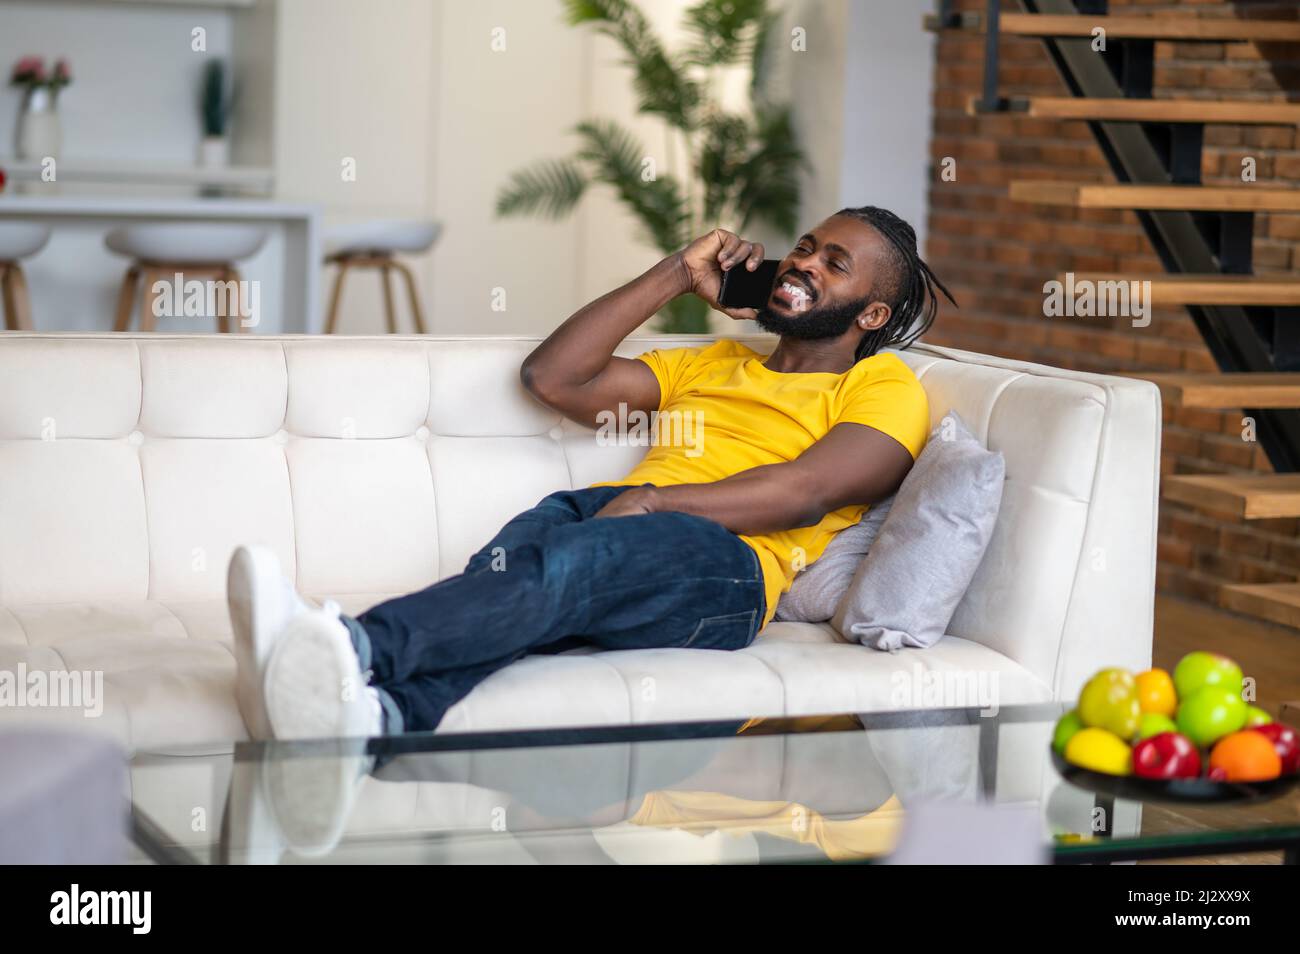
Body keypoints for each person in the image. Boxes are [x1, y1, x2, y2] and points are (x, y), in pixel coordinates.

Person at [227, 205, 954, 741]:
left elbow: (808, 491)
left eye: (834, 264)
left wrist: (652, 502)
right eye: (805, 246)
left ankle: (343, 647)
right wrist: (678, 272)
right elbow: (553, 376)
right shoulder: (711, 362)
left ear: (871, 312)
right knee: (503, 582)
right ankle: (377, 720)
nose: (803, 263)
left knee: (552, 576)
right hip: (618, 511)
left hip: (729, 568)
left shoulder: (882, 384)